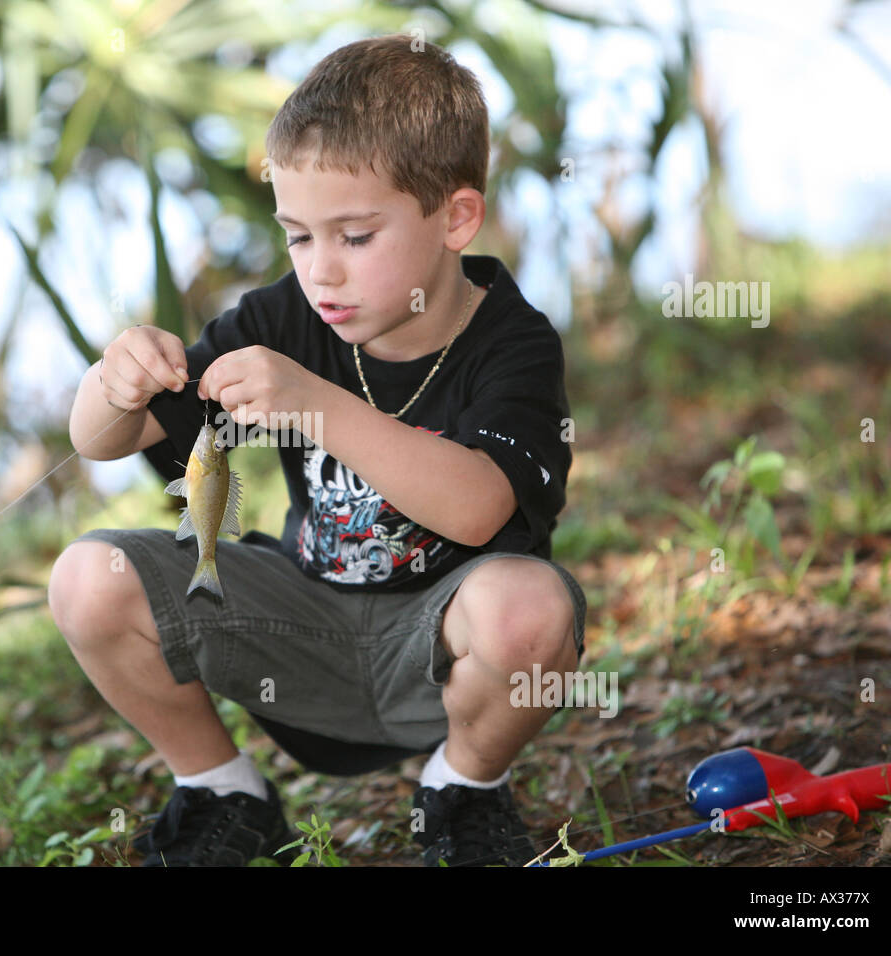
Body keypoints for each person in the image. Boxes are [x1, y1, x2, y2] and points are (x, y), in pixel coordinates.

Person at [48, 33, 586, 867]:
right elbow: (110, 442)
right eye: (298, 237)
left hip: (438, 654)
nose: (321, 273)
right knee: (88, 578)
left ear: (457, 217)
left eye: (355, 237)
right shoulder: (281, 320)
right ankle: (222, 791)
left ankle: (462, 790)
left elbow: (480, 508)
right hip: (304, 631)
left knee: (532, 606)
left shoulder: (513, 342)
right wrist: (111, 384)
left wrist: (312, 401)